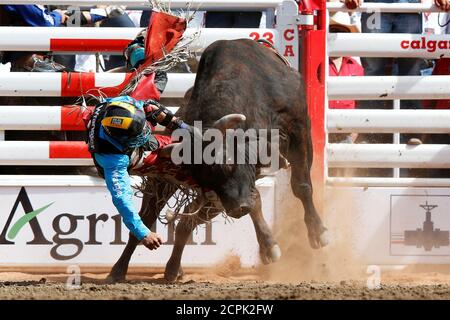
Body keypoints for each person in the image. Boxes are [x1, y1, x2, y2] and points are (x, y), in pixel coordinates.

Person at [344, 0, 426, 146]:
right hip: (378, 5)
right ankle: (369, 131)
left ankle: (411, 131)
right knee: (374, 69)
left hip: (407, 5)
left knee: (409, 70)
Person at [0, 4, 107, 71]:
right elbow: (46, 22)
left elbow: (63, 17)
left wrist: (102, 12)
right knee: (84, 91)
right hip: (28, 64)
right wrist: (58, 16)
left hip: (30, 64)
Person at [328, 12, 365, 144]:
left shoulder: (356, 68)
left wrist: (354, 132)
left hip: (347, 132)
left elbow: (362, 104)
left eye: (342, 33)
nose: (337, 36)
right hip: (322, 128)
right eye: (334, 31)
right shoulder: (317, 63)